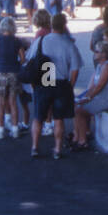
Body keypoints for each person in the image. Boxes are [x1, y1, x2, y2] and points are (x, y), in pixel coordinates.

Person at [29, 12, 80, 159]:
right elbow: (75, 68)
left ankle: (34, 147)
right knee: (58, 119)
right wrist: (70, 86)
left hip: (45, 79)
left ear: (51, 24)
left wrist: (34, 83)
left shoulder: (41, 41)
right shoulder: (68, 44)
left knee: (38, 117)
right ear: (64, 26)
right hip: (61, 83)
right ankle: (57, 149)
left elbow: (30, 61)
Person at [72, 41, 108, 151]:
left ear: (104, 54)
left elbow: (100, 86)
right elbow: (93, 86)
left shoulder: (107, 67)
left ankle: (82, 141)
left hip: (106, 99)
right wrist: (83, 98)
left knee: (79, 111)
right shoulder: (100, 66)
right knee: (77, 107)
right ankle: (78, 136)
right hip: (99, 96)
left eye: (97, 51)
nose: (94, 53)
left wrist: (88, 98)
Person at [0, 17, 25, 139]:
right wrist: (17, 64)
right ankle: (14, 129)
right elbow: (23, 58)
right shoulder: (17, 41)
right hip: (14, 72)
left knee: (0, 103)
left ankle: (0, 130)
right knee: (13, 102)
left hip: (0, 72)